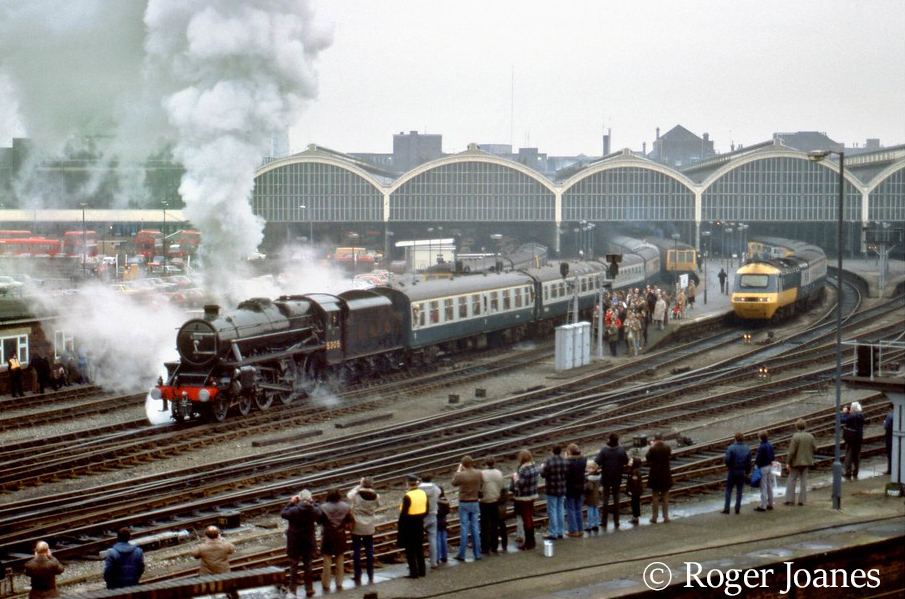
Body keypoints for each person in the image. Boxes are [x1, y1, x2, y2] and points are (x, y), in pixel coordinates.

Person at [282, 489, 321, 597]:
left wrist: (290, 502)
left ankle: (293, 589)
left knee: (294, 565)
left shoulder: (294, 510)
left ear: (299, 499)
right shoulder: (313, 510)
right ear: (309, 498)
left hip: (295, 542)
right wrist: (312, 502)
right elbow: (320, 512)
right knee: (308, 565)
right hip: (308, 541)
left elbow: (283, 514)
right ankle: (309, 589)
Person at [317, 488, 352, 592]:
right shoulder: (346, 507)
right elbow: (348, 520)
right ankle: (339, 582)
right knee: (340, 560)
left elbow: (319, 521)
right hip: (340, 536)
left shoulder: (323, 507)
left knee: (327, 561)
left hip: (328, 536)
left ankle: (326, 583)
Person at [348, 477, 380, 585]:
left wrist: (358, 486)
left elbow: (349, 494)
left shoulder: (356, 495)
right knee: (369, 550)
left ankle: (358, 574)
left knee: (357, 551)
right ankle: (370, 573)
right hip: (369, 525)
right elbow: (378, 505)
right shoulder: (375, 496)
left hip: (357, 524)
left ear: (362, 485)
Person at [451, 455, 483, 561]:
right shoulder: (478, 473)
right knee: (475, 528)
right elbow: (482, 484)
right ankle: (477, 553)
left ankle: (462, 554)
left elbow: (453, 483)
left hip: (464, 502)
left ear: (463, 465)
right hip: (474, 502)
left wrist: (459, 471)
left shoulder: (461, 475)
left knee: (464, 528)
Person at [595, 433, 628, 529]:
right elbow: (626, 461)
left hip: (606, 478)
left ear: (609, 440)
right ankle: (616, 521)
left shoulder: (604, 451)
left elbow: (597, 461)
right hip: (617, 477)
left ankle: (604, 521)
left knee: (605, 500)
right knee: (616, 499)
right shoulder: (621, 450)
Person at [398, 473, 428, 578]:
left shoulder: (408, 496)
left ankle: (414, 572)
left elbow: (404, 514)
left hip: (409, 525)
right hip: (419, 522)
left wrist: (401, 528)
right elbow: (426, 510)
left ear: (408, 484)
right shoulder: (423, 493)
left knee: (410, 550)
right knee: (419, 548)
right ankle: (422, 571)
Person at [511, 449, 539, 551]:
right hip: (532, 495)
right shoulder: (534, 467)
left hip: (523, 497)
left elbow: (520, 484)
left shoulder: (523, 469)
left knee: (526, 519)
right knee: (530, 518)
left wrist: (515, 479)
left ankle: (528, 542)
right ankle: (532, 540)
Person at [785, 419, 817, 506]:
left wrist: (788, 462)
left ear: (797, 426)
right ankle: (802, 500)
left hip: (796, 462)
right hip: (807, 461)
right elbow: (815, 448)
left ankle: (790, 499)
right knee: (804, 481)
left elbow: (791, 451)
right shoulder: (810, 436)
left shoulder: (795, 437)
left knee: (792, 479)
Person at [540, 445, 567, 540]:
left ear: (552, 451)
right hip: (561, 488)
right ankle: (561, 531)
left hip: (551, 489)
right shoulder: (564, 461)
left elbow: (543, 475)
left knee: (552, 510)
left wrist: (542, 468)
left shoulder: (549, 462)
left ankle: (553, 532)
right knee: (560, 509)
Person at [479, 456, 505, 554]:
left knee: (484, 525)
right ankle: (494, 546)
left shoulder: (482, 474)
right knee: (495, 524)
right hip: (495, 500)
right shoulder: (499, 473)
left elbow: (479, 487)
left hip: (484, 501)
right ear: (494, 463)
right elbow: (502, 486)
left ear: (485, 463)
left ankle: (485, 547)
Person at [646, 433, 673, 524]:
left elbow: (648, 458)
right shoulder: (667, 447)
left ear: (655, 439)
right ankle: (666, 517)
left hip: (655, 475)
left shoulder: (653, 449)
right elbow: (669, 456)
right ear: (662, 439)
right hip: (665, 474)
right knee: (665, 496)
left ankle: (654, 517)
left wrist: (651, 446)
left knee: (655, 497)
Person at [722, 432, 751, 515]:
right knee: (739, 490)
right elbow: (749, 462)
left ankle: (726, 508)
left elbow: (727, 460)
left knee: (729, 489)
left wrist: (729, 466)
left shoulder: (731, 448)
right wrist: (747, 472)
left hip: (732, 470)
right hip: (741, 471)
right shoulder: (746, 448)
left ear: (735, 438)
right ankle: (737, 508)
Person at [418, 474, 441, 570]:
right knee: (432, 539)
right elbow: (439, 492)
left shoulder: (418, 489)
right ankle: (433, 562)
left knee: (418, 540)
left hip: (420, 516)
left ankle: (417, 562)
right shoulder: (435, 489)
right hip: (432, 514)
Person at [564, 443, 587, 537]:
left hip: (570, 488)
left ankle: (573, 530)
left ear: (569, 451)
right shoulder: (583, 460)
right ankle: (580, 528)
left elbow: (566, 474)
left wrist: (566, 458)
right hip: (580, 487)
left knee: (570, 509)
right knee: (578, 508)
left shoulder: (568, 463)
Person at [842, 401, 865, 480]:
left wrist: (844, 412)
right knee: (857, 456)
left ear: (853, 409)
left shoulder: (852, 416)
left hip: (851, 438)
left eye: (851, 408)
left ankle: (847, 471)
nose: (850, 409)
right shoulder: (861, 416)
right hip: (858, 438)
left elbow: (842, 419)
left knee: (849, 455)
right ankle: (856, 471)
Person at [753, 431, 775, 512]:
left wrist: (756, 465)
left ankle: (763, 505)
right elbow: (773, 457)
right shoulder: (770, 445)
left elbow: (758, 458)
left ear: (760, 438)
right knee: (769, 486)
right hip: (769, 466)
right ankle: (770, 503)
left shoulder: (761, 447)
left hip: (763, 467)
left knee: (763, 486)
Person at [583, 460, 601, 532]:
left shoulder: (589, 478)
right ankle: (596, 524)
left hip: (590, 496)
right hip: (596, 495)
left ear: (594, 469)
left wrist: (584, 487)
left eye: (590, 468)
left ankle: (589, 525)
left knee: (590, 510)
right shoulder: (598, 476)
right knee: (595, 509)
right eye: (588, 468)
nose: (588, 469)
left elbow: (589, 488)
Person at [625, 455, 644, 525]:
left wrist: (631, 491)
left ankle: (635, 517)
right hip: (636, 491)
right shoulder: (634, 470)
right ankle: (635, 516)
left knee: (634, 504)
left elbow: (634, 482)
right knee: (635, 503)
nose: (629, 461)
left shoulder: (634, 472)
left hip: (635, 491)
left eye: (631, 461)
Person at [436, 486, 450, 563]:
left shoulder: (435, 501)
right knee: (443, 538)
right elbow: (448, 511)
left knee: (437, 539)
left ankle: (437, 557)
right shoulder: (445, 500)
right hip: (444, 521)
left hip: (437, 521)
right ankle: (444, 556)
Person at [885, 407, 894, 475]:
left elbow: (886, 426)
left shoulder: (890, 415)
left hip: (890, 437)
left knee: (890, 454)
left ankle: (890, 469)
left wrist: (885, 423)